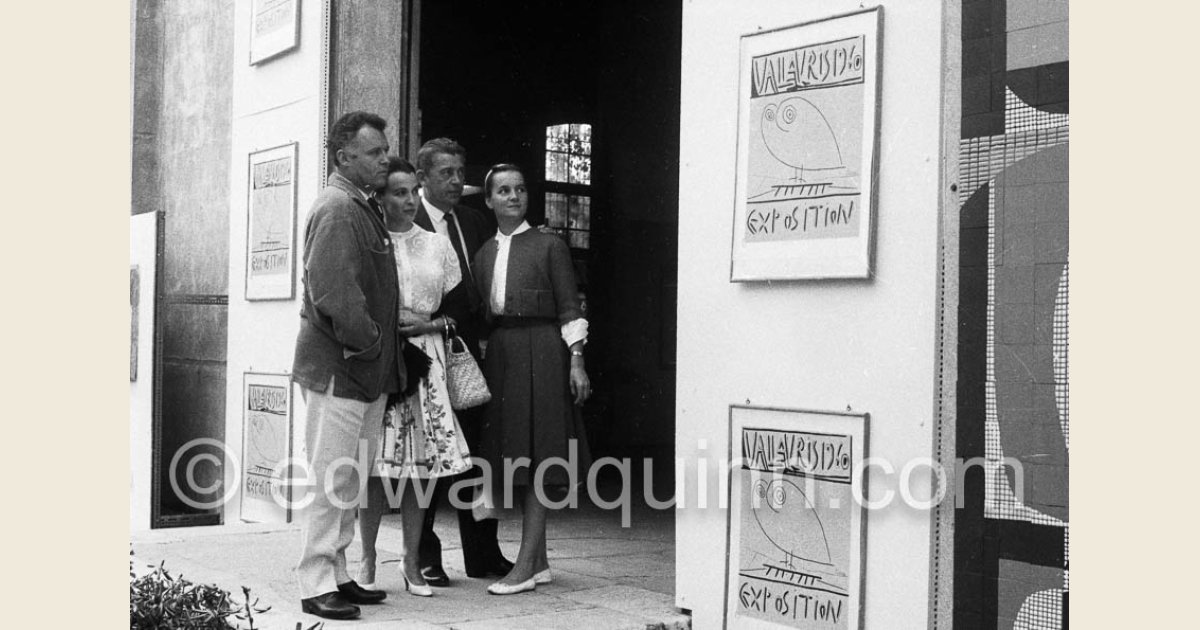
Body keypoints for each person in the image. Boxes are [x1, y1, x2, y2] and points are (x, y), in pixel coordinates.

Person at [291, 111, 403, 620]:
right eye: (376, 151)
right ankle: (315, 581)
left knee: (350, 479)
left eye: (383, 150)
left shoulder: (360, 205)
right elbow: (334, 293)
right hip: (343, 369)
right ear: (344, 157)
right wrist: (373, 342)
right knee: (331, 477)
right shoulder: (338, 207)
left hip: (361, 371)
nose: (385, 158)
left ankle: (336, 573)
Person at [472, 163, 592, 595]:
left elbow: (569, 307)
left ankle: (524, 566)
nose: (513, 196)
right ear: (489, 200)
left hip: (544, 351)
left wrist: (576, 360)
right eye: (503, 190)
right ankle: (538, 561)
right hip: (502, 355)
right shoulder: (483, 253)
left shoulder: (549, 245)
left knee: (541, 454)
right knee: (515, 456)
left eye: (520, 189)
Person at [356, 157, 473, 598]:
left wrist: (429, 326)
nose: (407, 201)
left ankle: (411, 561)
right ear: (380, 197)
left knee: (420, 469)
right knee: (374, 466)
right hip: (381, 357)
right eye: (397, 192)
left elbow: (461, 308)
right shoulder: (369, 239)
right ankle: (366, 557)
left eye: (411, 192)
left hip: (425, 358)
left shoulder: (437, 244)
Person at [412, 138, 514, 585]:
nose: (456, 180)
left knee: (477, 456)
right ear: (422, 178)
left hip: (469, 355)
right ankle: (426, 554)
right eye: (445, 173)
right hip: (421, 352)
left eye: (460, 171)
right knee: (430, 453)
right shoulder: (403, 220)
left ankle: (483, 552)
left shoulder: (473, 221)